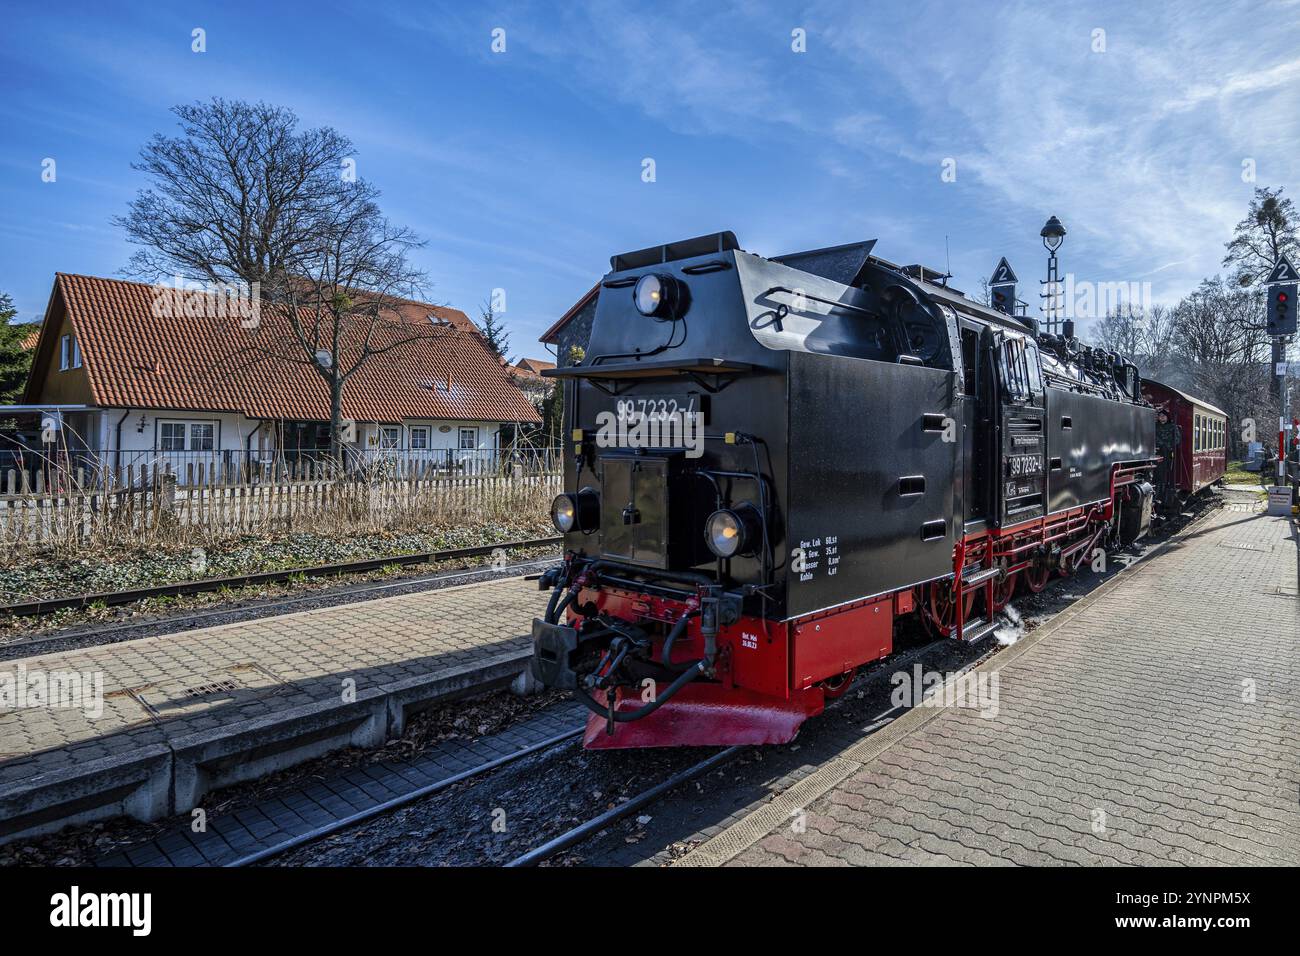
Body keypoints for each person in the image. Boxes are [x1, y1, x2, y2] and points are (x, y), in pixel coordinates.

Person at [1154, 406, 1180, 511]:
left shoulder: (1172, 427)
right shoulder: (1155, 426)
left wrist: (1168, 446)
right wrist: (1159, 444)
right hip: (1157, 451)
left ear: (1167, 417)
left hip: (1167, 453)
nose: (1161, 418)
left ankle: (1164, 493)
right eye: (1160, 416)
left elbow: (1177, 439)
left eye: (1163, 416)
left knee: (1165, 474)